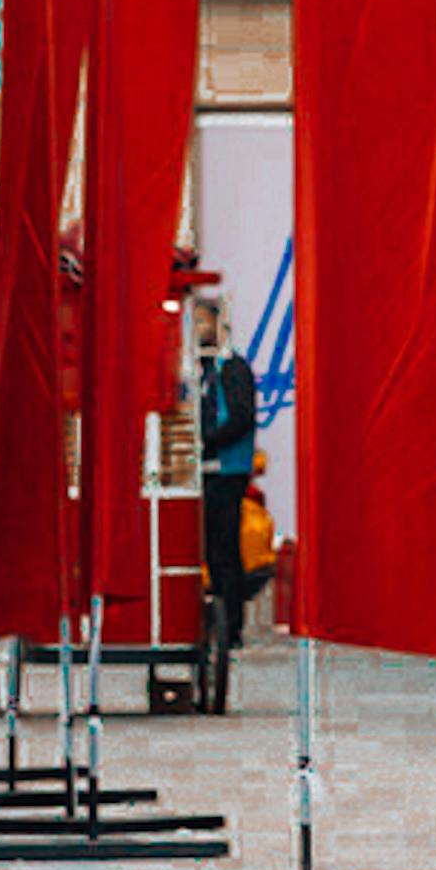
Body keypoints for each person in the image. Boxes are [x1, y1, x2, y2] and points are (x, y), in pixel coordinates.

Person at [190, 293, 264, 717]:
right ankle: (212, 619)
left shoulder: (233, 369)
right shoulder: (199, 371)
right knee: (207, 549)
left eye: (203, 322)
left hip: (227, 469)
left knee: (225, 549)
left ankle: (230, 626)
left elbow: (240, 417)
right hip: (203, 469)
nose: (198, 330)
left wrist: (208, 439)